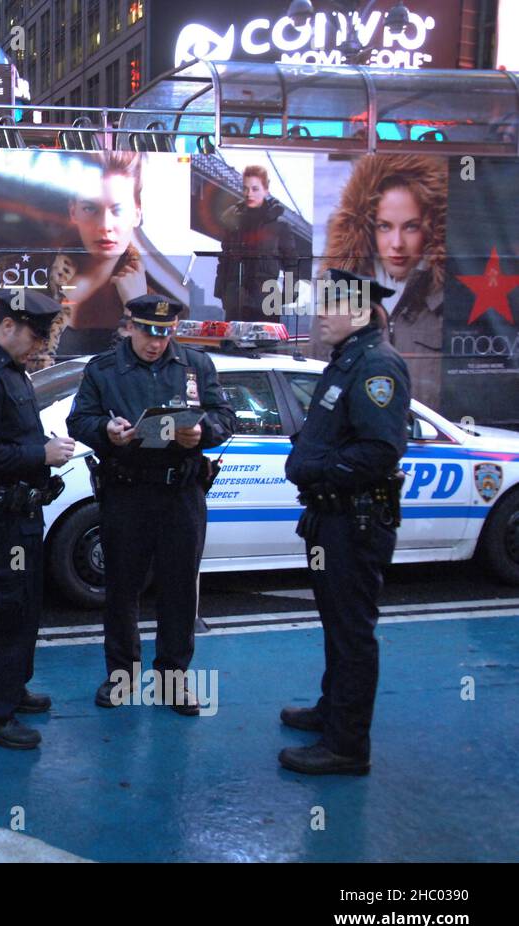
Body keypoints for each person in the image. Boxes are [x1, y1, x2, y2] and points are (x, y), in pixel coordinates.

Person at [67, 295, 236, 715]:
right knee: (122, 589)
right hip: (127, 492)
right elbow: (79, 420)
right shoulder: (103, 369)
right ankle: (121, 676)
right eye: (148, 331)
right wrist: (106, 430)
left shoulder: (196, 365)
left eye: (165, 332)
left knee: (180, 590)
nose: (156, 342)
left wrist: (204, 433)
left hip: (182, 493)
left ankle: (173, 682)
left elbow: (224, 416)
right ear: (130, 326)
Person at [280, 269, 409, 776]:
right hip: (332, 517)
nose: (320, 316)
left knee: (353, 631)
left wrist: (318, 469)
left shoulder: (376, 365)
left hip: (354, 520)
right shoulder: (347, 362)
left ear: (358, 311)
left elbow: (380, 450)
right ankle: (332, 711)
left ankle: (347, 747)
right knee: (337, 625)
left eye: (329, 307)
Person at [0, 289, 75, 750]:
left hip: (23, 510)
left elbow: (14, 432)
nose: (38, 346)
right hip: (2, 515)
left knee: (25, 605)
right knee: (3, 610)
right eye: (34, 335)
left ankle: (13, 688)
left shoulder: (12, 371)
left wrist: (41, 446)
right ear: (7, 326)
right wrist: (39, 453)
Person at [316, 155, 447, 408]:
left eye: (411, 227)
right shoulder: (337, 302)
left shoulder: (449, 304)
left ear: (430, 229)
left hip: (429, 434)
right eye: (385, 226)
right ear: (367, 229)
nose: (397, 243)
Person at [48, 151, 153, 360]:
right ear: (73, 211)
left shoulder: (154, 300)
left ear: (137, 214)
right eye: (90, 208)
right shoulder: (31, 277)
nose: (105, 226)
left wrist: (136, 308)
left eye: (118, 210)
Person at [214, 164, 299, 322]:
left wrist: (288, 295)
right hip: (236, 301)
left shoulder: (280, 225)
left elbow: (291, 263)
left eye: (255, 189)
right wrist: (222, 293)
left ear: (266, 190)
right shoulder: (233, 223)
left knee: (265, 345)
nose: (249, 194)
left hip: (266, 301)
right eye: (245, 188)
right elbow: (224, 260)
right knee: (231, 344)